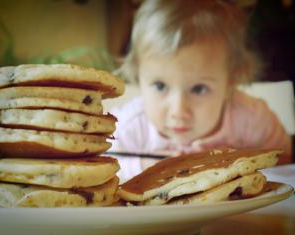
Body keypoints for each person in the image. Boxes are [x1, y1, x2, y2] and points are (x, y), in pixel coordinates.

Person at [110, 0, 292, 182]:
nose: (178, 111)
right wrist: (144, 168)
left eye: (199, 89)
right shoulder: (126, 126)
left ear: (230, 82)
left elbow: (283, 163)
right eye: (160, 86)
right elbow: (101, 170)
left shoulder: (252, 119)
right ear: (137, 75)